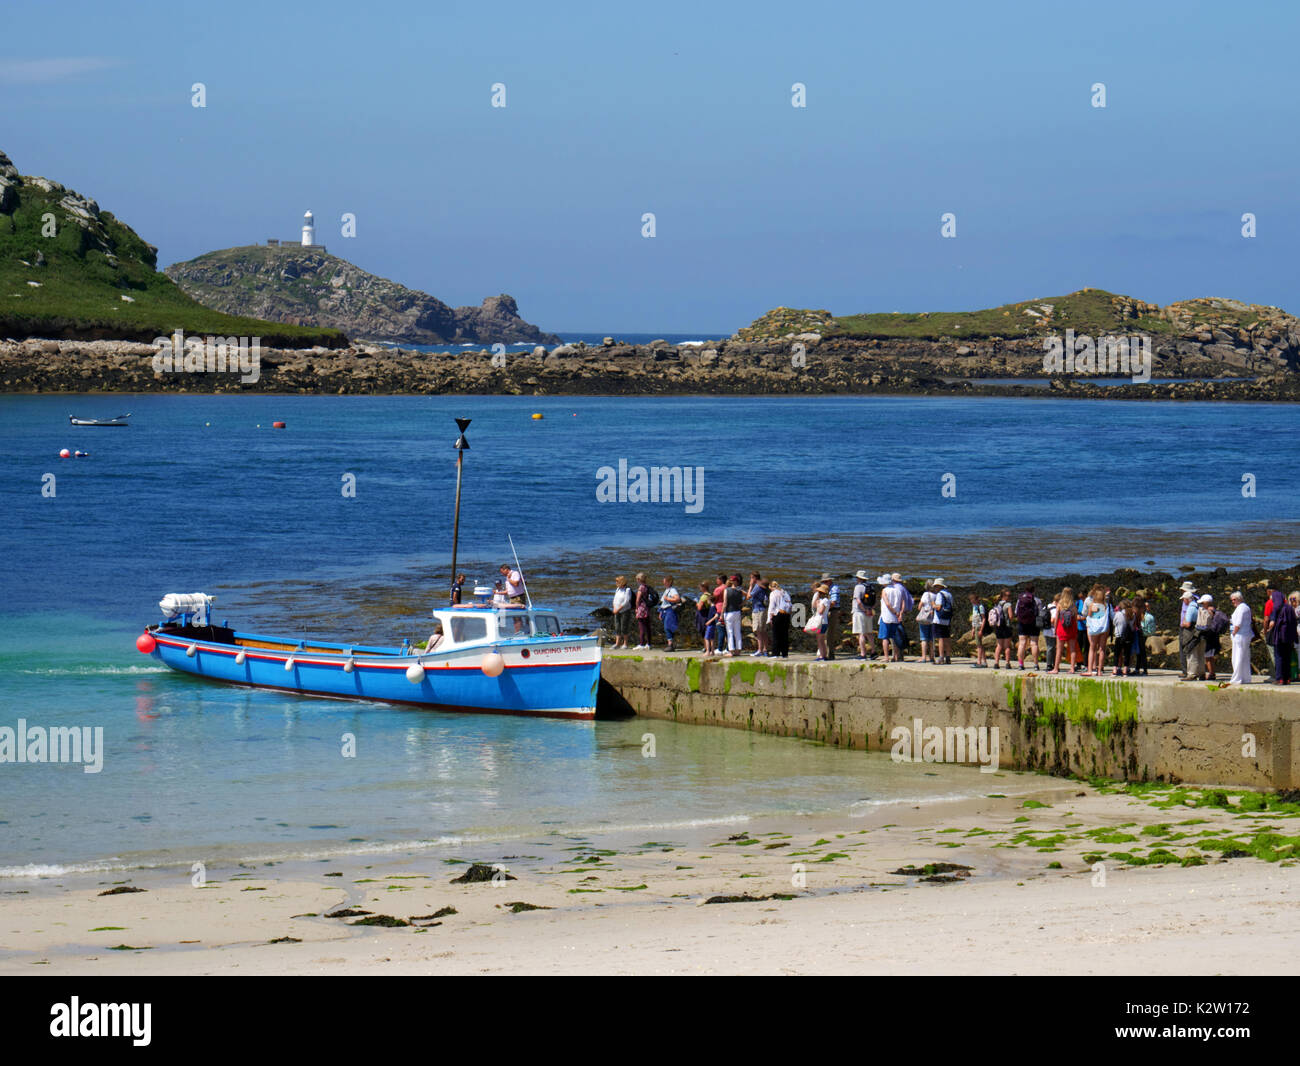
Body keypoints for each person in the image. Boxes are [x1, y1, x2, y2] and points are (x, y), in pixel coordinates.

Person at [1267, 590, 1297, 684]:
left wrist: (1268, 630)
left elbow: (1272, 622)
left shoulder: (1276, 608)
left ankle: (1279, 678)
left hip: (1279, 636)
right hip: (1289, 636)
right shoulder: (1289, 608)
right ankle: (1287, 678)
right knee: (1287, 657)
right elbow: (1294, 622)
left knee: (1279, 656)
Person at [1225, 591, 1253, 687]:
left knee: (1237, 657)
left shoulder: (1241, 608)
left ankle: (1236, 678)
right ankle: (1245, 677)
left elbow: (1238, 622)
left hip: (1240, 635)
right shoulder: (1245, 607)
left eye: (1234, 599)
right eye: (1232, 600)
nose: (1233, 601)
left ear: (1239, 599)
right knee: (1244, 656)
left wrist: (1234, 632)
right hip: (1245, 634)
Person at [1177, 585, 1204, 681]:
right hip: (1199, 631)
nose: (1183, 601)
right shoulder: (1198, 604)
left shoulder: (1191, 608)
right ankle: (1201, 673)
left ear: (1187, 599)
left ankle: (1191, 674)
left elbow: (1187, 624)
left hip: (1190, 632)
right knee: (1200, 654)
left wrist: (1183, 623)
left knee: (1191, 653)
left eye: (1184, 599)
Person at [1049, 588, 1077, 673]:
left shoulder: (1060, 605)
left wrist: (1055, 629)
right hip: (1071, 629)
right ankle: (1072, 668)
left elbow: (1056, 618)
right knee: (1072, 649)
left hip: (1061, 629)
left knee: (1059, 650)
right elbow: (1075, 618)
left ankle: (1056, 668)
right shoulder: (1073, 605)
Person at [1084, 584, 1109, 677]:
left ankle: (1090, 670)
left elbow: (1089, 616)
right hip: (1104, 628)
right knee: (1102, 649)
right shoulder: (1106, 606)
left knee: (1092, 647)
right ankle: (1099, 671)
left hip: (1094, 628)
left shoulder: (1092, 605)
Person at [879, 573, 905, 661]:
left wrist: (894, 611)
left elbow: (887, 604)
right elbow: (902, 603)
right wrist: (899, 613)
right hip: (895, 618)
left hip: (886, 616)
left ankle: (886, 657)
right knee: (894, 637)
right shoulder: (898, 590)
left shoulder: (884, 590)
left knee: (885, 638)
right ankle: (896, 656)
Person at [1015, 584, 1041, 670]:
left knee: (1022, 643)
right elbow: (1040, 612)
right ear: (1034, 590)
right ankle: (1036, 665)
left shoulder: (1020, 599)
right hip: (1033, 623)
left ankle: (1021, 664)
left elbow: (1016, 611)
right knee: (1034, 643)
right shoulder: (1037, 600)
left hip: (1022, 623)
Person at [748, 573, 770, 657]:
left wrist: (750, 586)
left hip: (758, 610)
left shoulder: (757, 587)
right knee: (763, 631)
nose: (750, 580)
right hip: (763, 609)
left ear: (754, 578)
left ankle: (759, 650)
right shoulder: (763, 587)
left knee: (758, 631)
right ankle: (765, 649)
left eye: (751, 578)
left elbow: (749, 596)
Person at [768, 580, 792, 658]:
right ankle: (785, 653)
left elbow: (772, 606)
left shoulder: (773, 593)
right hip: (786, 614)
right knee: (784, 634)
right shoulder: (784, 592)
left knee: (776, 634)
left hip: (777, 614)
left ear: (771, 587)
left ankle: (775, 653)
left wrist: (769, 618)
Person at [821, 573, 841, 660]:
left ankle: (830, 653)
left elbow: (834, 602)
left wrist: (825, 607)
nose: (824, 583)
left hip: (832, 612)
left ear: (830, 581)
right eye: (823, 581)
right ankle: (826, 653)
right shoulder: (827, 588)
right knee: (825, 633)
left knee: (830, 633)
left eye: (825, 581)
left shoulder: (834, 588)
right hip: (827, 611)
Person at [992, 589, 1014, 669]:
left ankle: (996, 663)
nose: (1010, 597)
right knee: (1007, 646)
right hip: (1006, 626)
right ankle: (1007, 663)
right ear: (1004, 596)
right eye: (1008, 595)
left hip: (998, 626)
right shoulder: (1008, 604)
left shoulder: (997, 604)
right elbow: (1011, 616)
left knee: (999, 645)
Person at [723, 574, 745, 656]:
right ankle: (738, 650)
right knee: (737, 632)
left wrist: (722, 614)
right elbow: (748, 596)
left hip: (729, 612)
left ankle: (731, 650)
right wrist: (742, 603)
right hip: (737, 611)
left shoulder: (727, 590)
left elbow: (725, 603)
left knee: (730, 632)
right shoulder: (739, 590)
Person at [916, 580, 937, 664]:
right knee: (931, 639)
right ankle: (932, 656)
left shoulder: (926, 594)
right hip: (933, 619)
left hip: (924, 619)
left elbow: (919, 606)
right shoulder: (936, 595)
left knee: (924, 639)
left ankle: (924, 657)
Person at [659, 575, 682, 651]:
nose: (663, 583)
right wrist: (660, 612)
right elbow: (663, 603)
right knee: (667, 627)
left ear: (669, 582)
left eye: (665, 582)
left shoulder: (672, 590)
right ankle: (671, 644)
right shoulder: (667, 590)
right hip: (665, 610)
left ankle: (670, 644)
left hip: (670, 610)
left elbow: (677, 599)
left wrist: (668, 598)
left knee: (667, 627)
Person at [610, 575, 633, 649]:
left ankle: (625, 643)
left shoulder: (627, 590)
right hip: (616, 610)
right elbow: (615, 599)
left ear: (622, 582)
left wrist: (618, 609)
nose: (616, 583)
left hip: (625, 610)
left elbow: (626, 601)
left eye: (617, 581)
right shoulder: (617, 589)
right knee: (617, 627)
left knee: (624, 627)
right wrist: (614, 607)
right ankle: (617, 643)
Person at [1112, 599, 1133, 676]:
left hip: (1119, 636)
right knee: (1127, 654)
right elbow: (1133, 626)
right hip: (1128, 637)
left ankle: (1115, 670)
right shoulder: (1132, 615)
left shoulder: (1118, 614)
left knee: (1117, 653)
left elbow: (1114, 622)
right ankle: (1125, 670)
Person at [812, 582, 831, 661]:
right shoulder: (826, 600)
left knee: (820, 640)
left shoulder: (824, 601)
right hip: (824, 621)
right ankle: (824, 655)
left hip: (821, 621)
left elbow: (820, 611)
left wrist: (819, 604)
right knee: (822, 639)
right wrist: (817, 602)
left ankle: (822, 656)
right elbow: (814, 606)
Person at [969, 592, 988, 668]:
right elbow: (974, 618)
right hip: (975, 626)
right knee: (980, 645)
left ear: (977, 600)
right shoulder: (974, 607)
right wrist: (973, 628)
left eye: (973, 600)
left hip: (979, 627)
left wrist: (981, 630)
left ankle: (979, 661)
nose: (972, 602)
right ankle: (984, 661)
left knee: (979, 645)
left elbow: (984, 618)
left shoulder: (980, 607)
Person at [634, 572, 653, 650]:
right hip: (647, 608)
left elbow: (638, 599)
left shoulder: (641, 588)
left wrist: (636, 608)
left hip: (641, 608)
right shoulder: (647, 587)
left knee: (641, 626)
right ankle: (649, 644)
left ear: (638, 579)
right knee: (647, 626)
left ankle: (641, 644)